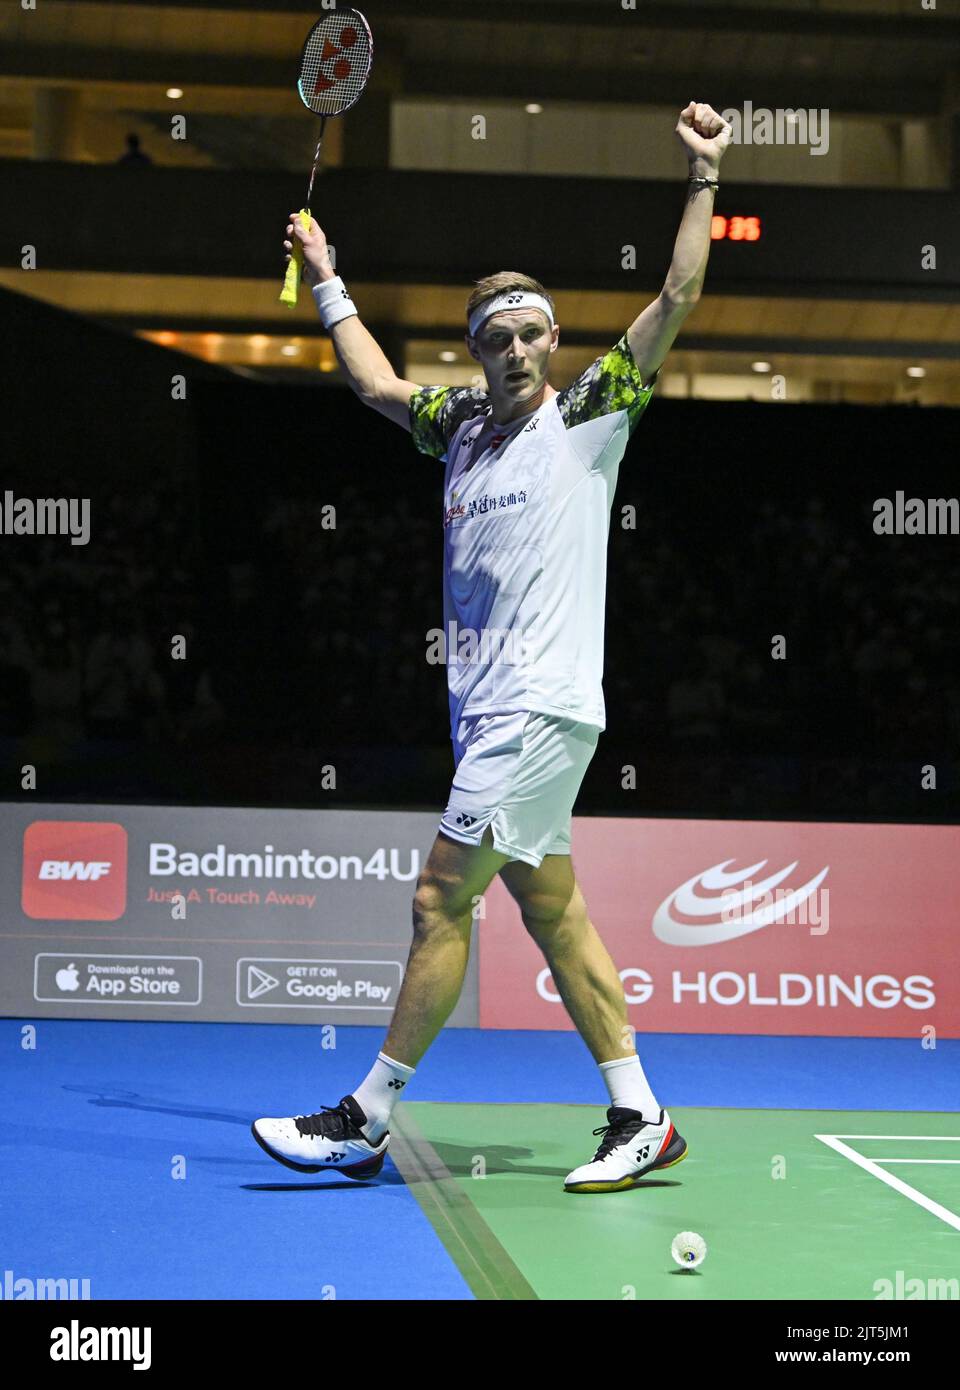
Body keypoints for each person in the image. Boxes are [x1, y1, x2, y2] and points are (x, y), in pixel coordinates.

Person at [253, 102, 731, 1192]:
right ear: (476, 350)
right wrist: (326, 273)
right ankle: (640, 1111)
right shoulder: (462, 428)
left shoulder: (594, 415)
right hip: (492, 710)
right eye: (497, 337)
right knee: (552, 907)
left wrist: (703, 177)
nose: (515, 351)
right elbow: (375, 386)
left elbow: (678, 295)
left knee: (438, 899)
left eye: (531, 334)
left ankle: (365, 1116)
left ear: (553, 342)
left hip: (540, 706)